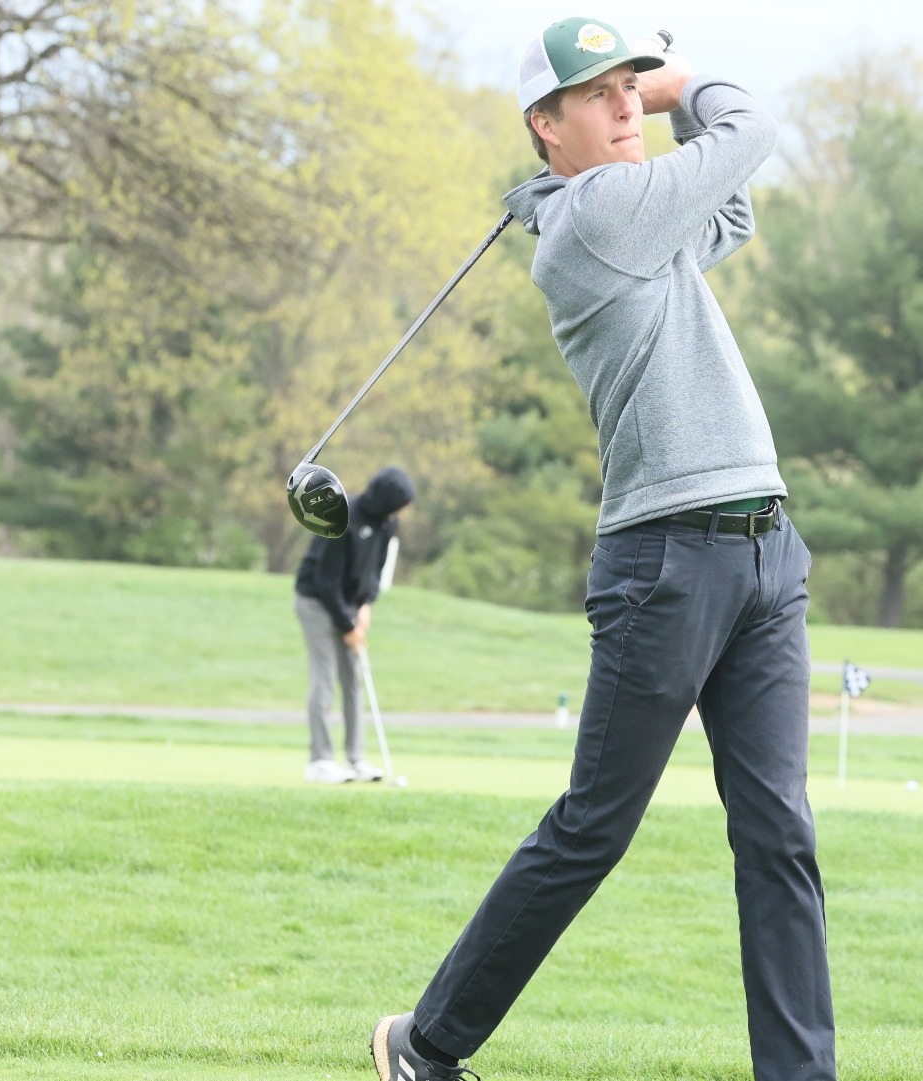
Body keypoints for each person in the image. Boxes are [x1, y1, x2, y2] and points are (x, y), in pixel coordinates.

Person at [370, 18, 832, 1081]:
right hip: (665, 564)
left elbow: (731, 208)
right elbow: (749, 131)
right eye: (601, 94)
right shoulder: (596, 217)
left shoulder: (634, 218)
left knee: (779, 837)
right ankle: (424, 1044)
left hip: (765, 551)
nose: (626, 103)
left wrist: (648, 106)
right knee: (594, 827)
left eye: (631, 85)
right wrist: (679, 87)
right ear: (546, 125)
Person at [293, 467, 414, 784]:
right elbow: (326, 581)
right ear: (386, 498)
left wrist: (366, 606)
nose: (400, 511)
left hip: (349, 602)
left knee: (353, 680)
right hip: (316, 601)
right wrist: (348, 627)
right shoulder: (342, 516)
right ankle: (320, 761)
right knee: (325, 678)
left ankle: (356, 758)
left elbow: (376, 570)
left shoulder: (387, 522)